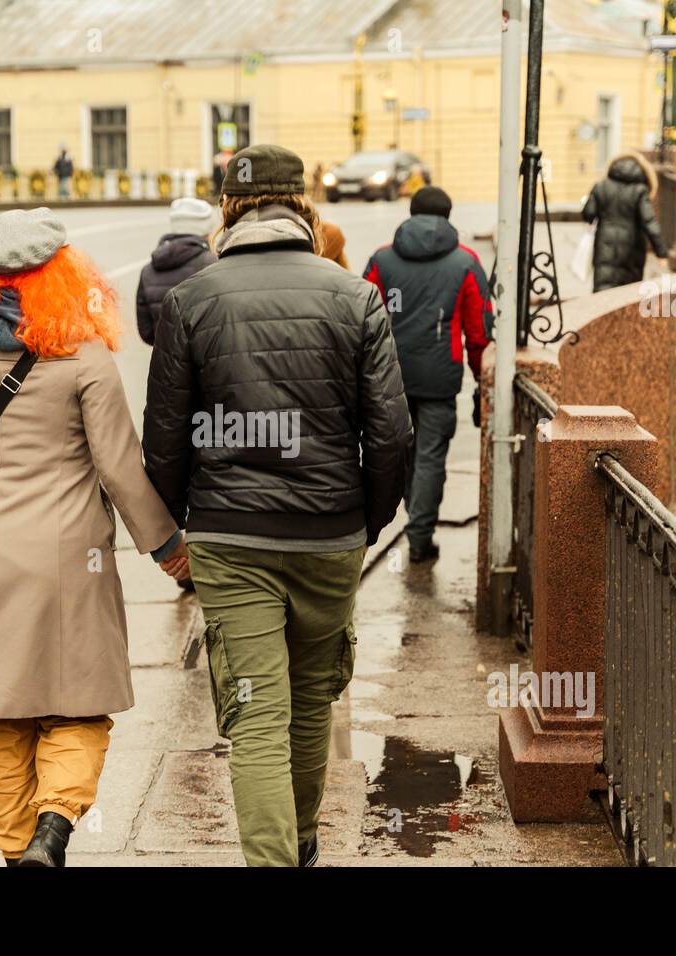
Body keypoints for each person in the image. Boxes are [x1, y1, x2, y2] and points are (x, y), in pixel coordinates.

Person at [143, 144, 412, 867]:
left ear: (229, 210)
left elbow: (163, 441)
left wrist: (184, 526)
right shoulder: (353, 295)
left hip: (230, 538)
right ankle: (299, 842)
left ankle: (278, 856)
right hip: (330, 535)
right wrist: (365, 520)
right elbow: (392, 433)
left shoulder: (191, 301)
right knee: (311, 699)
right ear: (302, 206)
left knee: (258, 711)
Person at [0, 208, 188, 868]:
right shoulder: (84, 358)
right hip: (71, 554)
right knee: (76, 705)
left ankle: (16, 850)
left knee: (0, 713)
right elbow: (120, 466)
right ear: (65, 279)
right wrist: (165, 547)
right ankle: (54, 826)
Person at [363, 185, 492, 563]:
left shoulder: (381, 260)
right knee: (431, 457)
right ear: (448, 216)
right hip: (439, 379)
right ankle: (420, 535)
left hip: (389, 379)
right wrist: (482, 381)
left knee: (399, 453)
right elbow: (479, 332)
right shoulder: (465, 262)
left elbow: (361, 320)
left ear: (411, 212)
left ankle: (404, 520)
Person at [581, 150, 668, 292]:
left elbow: (588, 214)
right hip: (632, 249)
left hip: (604, 244)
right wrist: (661, 253)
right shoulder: (640, 191)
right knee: (627, 292)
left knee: (603, 287)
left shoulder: (601, 186)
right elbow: (649, 222)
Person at [135, 197, 218, 346]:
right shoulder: (213, 264)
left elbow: (146, 332)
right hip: (205, 363)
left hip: (165, 363)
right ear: (206, 231)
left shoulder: (148, 271)